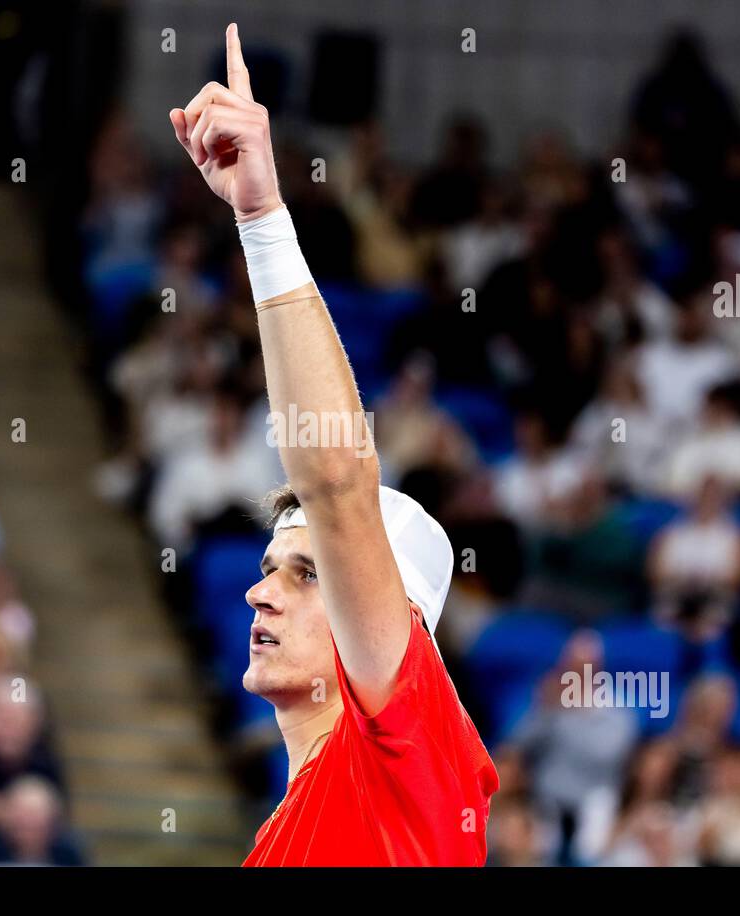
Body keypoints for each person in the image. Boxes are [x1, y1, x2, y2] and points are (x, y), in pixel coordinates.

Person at [167, 24, 497, 865]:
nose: (259, 596)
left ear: (398, 621)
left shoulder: (416, 747)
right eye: (273, 566)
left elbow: (339, 477)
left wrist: (260, 216)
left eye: (307, 572)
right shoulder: (283, 833)